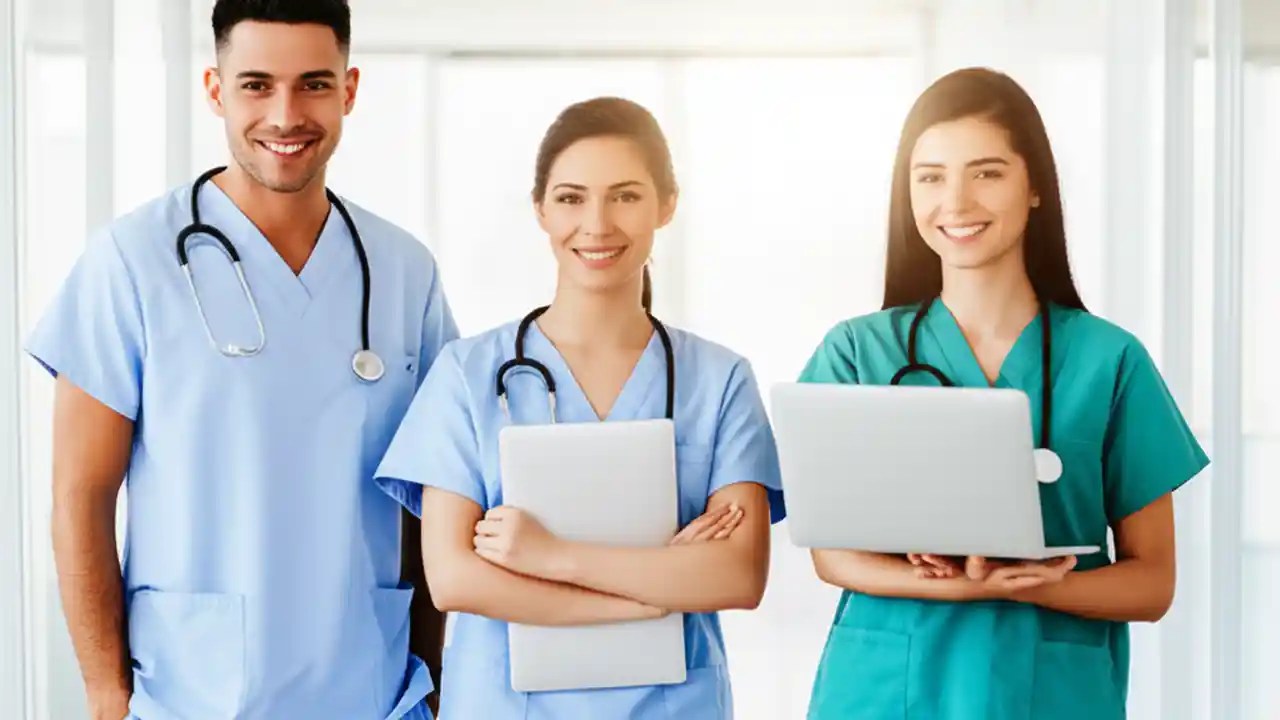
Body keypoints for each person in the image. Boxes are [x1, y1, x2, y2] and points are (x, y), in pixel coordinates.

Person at [25, 1, 456, 717]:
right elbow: (81, 496)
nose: (286, 115)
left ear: (349, 89)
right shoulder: (132, 261)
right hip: (189, 693)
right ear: (215, 89)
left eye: (314, 85)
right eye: (257, 84)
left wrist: (435, 681)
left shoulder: (404, 271)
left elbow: (434, 502)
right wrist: (107, 698)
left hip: (372, 692)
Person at [798, 68, 1209, 720]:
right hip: (886, 690)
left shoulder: (1109, 360)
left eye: (986, 172)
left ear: (1035, 186)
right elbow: (832, 556)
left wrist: (1037, 589)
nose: (955, 201)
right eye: (929, 177)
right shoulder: (856, 353)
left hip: (1049, 689)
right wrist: (964, 587)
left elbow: (1152, 583)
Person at [374, 96, 785, 719]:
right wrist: (653, 594)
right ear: (540, 209)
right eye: (571, 198)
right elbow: (455, 578)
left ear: (666, 205)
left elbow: (736, 577)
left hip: (674, 704)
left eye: (625, 195)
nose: (596, 224)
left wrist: (547, 558)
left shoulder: (720, 379)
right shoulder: (467, 374)